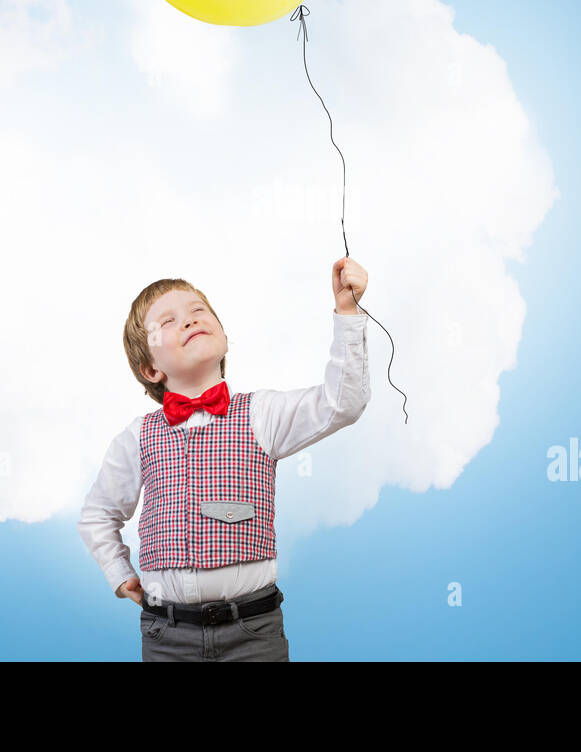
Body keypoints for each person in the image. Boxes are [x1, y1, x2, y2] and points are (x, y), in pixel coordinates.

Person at [78, 256, 371, 660]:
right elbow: (97, 515)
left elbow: (343, 403)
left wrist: (347, 312)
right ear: (149, 369)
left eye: (198, 311)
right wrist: (120, 573)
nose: (188, 320)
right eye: (167, 321)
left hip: (254, 630)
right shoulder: (137, 437)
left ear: (224, 336)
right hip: (168, 635)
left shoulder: (262, 413)